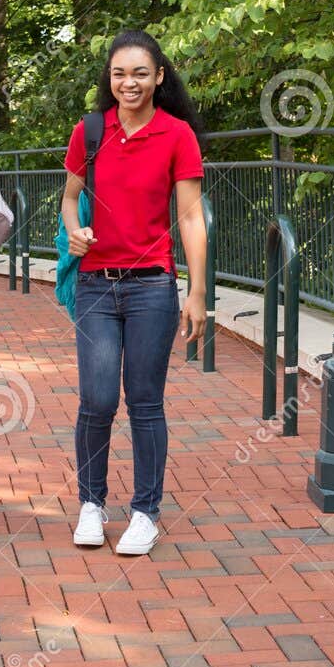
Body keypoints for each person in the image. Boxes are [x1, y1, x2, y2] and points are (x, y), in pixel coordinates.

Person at [60, 30, 207, 556]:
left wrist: (196, 291)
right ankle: (92, 505)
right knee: (97, 400)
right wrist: (73, 230)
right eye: (120, 73)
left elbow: (190, 216)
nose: (129, 83)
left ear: (159, 77)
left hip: (152, 288)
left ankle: (145, 513)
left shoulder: (177, 136)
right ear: (110, 78)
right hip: (97, 285)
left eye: (141, 73)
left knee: (145, 403)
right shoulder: (90, 131)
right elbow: (70, 197)